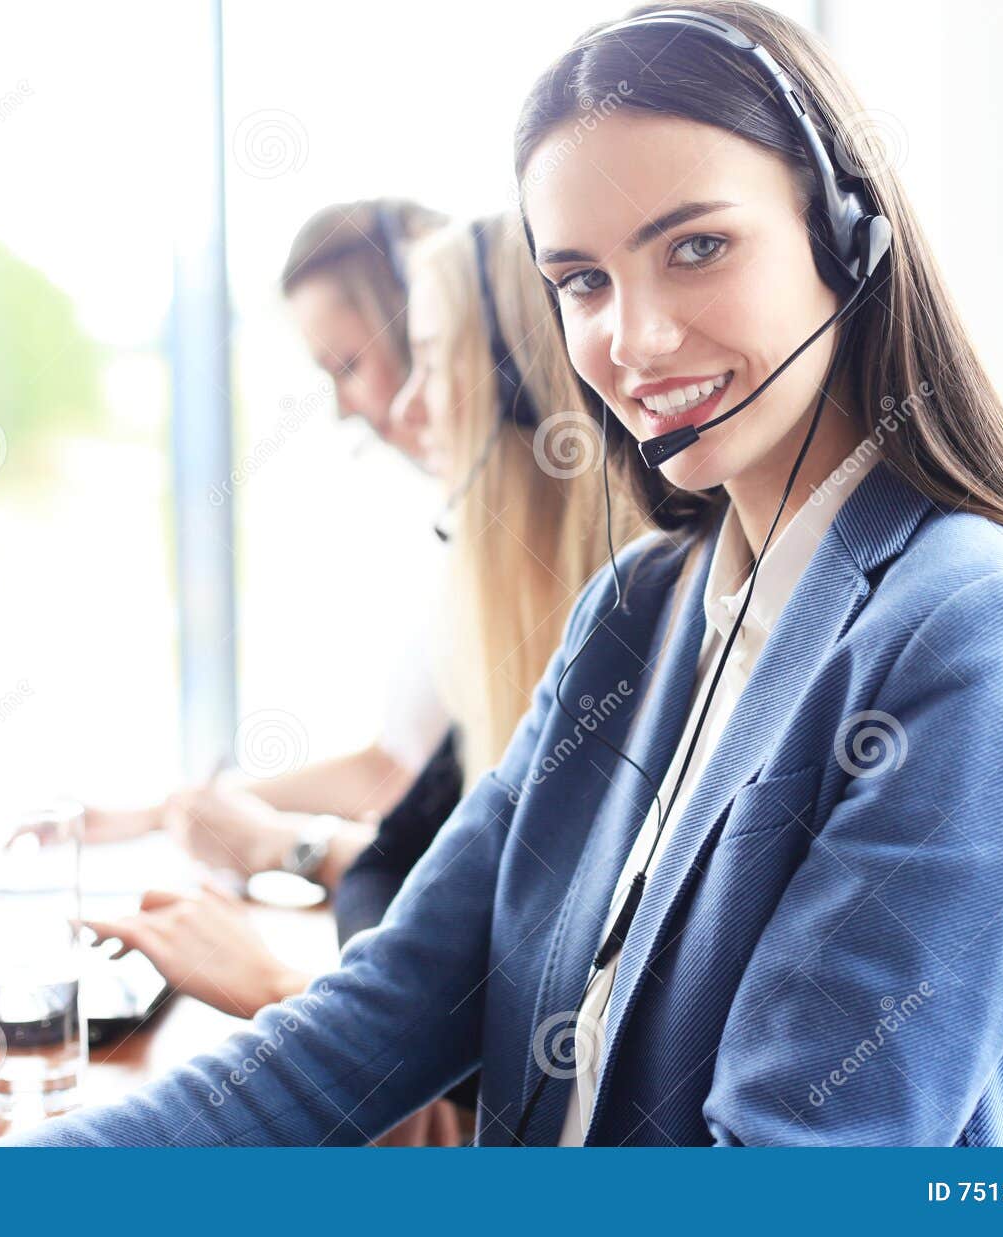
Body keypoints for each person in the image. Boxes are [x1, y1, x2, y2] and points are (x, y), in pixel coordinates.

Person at [13, 1, 1003, 1147]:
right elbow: (371, 1027)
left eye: (696, 248)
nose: (636, 337)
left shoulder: (982, 630)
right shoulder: (639, 610)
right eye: (581, 281)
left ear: (844, 236)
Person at [78, 214, 635, 1144]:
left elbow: (581, 1079)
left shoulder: (629, 625)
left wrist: (282, 980)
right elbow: (420, 854)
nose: (397, 406)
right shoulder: (550, 612)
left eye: (402, 359)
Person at [80, 199, 450, 893]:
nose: (347, 406)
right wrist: (174, 813)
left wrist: (282, 844)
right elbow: (393, 767)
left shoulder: (525, 540)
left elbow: (452, 849)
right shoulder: (458, 525)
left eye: (350, 364)